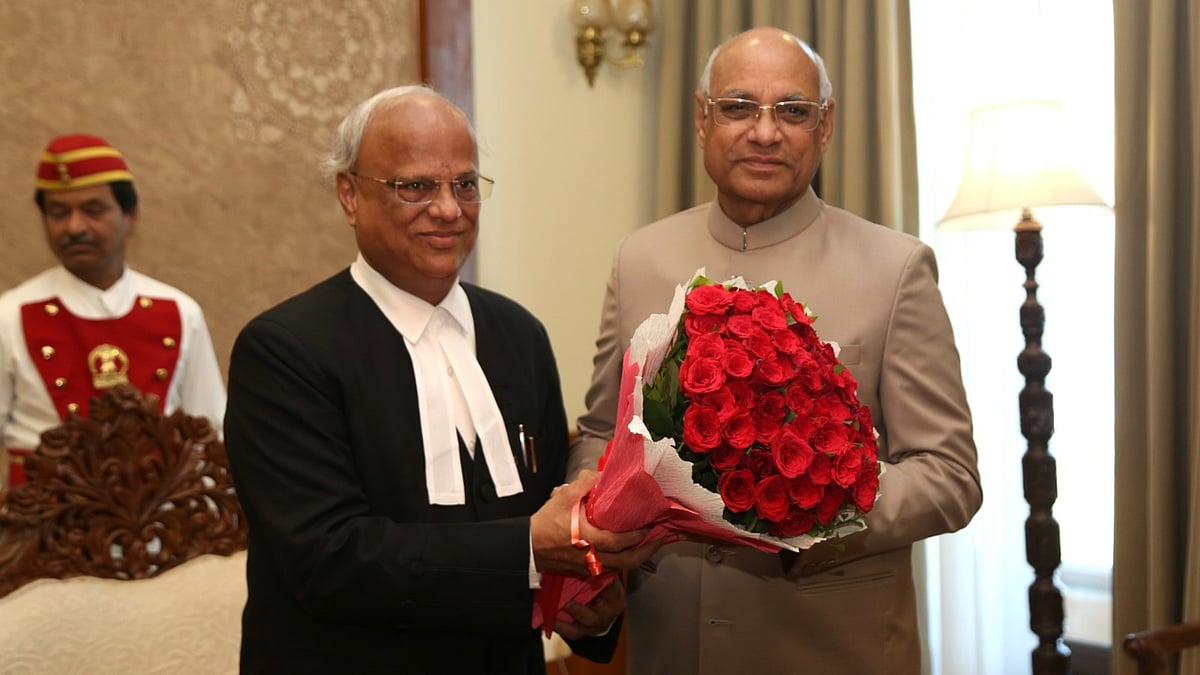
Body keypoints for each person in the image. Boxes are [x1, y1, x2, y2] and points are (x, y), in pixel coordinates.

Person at [571, 27, 983, 675]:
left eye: (793, 111)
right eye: (739, 107)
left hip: (827, 643)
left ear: (825, 127)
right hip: (670, 642)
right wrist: (591, 541)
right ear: (703, 120)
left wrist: (807, 514)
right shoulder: (640, 258)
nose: (765, 132)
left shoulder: (895, 267)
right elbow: (601, 432)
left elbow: (949, 475)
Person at [223, 85, 659, 674]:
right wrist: (527, 547)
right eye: (416, 187)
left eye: (466, 184)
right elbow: (326, 557)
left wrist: (590, 603)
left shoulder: (518, 334)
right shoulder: (283, 351)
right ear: (349, 195)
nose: (449, 209)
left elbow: (554, 513)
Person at [0, 133, 226, 489]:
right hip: (43, 529)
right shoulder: (11, 314)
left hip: (159, 524)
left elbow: (212, 431)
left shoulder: (180, 312)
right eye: (59, 213)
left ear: (130, 215)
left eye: (93, 210)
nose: (75, 227)